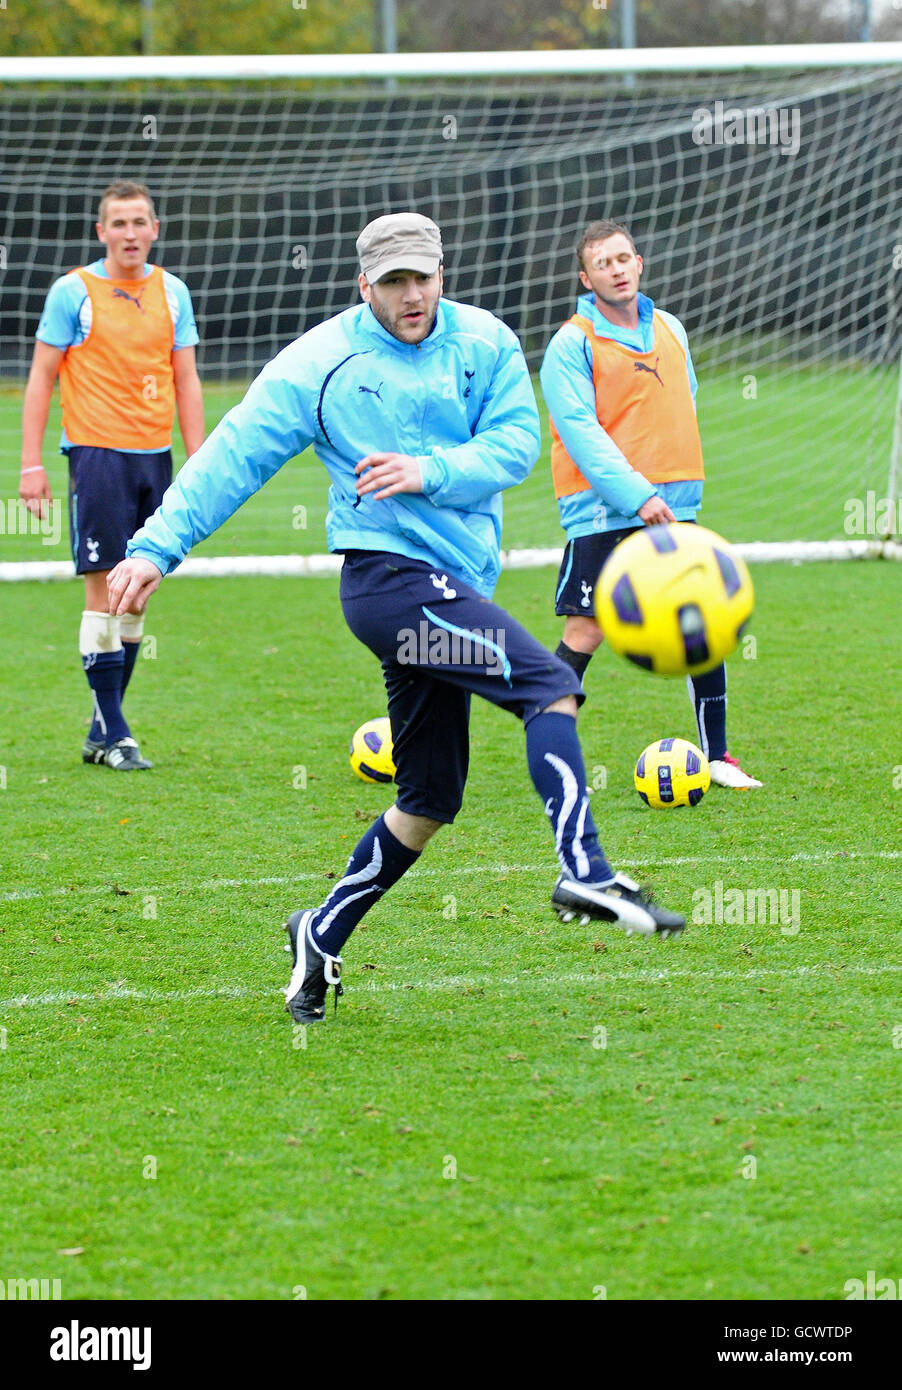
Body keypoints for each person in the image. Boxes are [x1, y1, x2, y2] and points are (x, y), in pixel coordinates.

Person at [107, 211, 685, 1025]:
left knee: (429, 797)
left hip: (456, 585)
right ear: (363, 285)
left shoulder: (483, 343)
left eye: (423, 277)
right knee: (549, 683)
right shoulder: (320, 362)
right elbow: (234, 454)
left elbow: (518, 446)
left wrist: (428, 469)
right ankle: (584, 870)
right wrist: (155, 547)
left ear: (443, 273)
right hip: (385, 582)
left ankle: (320, 930)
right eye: (393, 283)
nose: (411, 296)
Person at [540, 219, 762, 790]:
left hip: (673, 504)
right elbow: (581, 432)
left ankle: (718, 757)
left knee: (702, 617)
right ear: (585, 278)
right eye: (603, 264)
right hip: (604, 509)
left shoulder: (671, 328)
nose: (616, 270)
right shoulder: (571, 343)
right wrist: (636, 494)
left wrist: (671, 492)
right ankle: (552, 755)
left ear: (639, 263)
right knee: (587, 631)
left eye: (624, 258)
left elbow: (681, 403)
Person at [20, 179, 204, 770]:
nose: (130, 233)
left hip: (155, 457)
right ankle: (115, 731)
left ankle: (103, 730)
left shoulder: (172, 292)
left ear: (155, 229)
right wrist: (31, 464)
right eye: (118, 223)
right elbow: (41, 378)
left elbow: (186, 380)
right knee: (103, 587)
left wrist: (199, 458)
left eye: (139, 222)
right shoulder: (72, 292)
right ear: (102, 232)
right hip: (97, 455)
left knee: (137, 592)